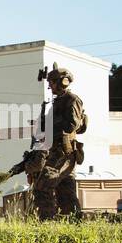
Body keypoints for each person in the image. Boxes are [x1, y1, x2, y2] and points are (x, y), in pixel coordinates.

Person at [31, 67, 87, 220]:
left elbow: (72, 125)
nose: (50, 86)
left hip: (64, 153)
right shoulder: (54, 103)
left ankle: (47, 221)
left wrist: (49, 125)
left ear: (63, 82)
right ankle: (74, 223)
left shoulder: (72, 99)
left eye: (52, 83)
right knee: (66, 192)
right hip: (54, 152)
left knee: (42, 186)